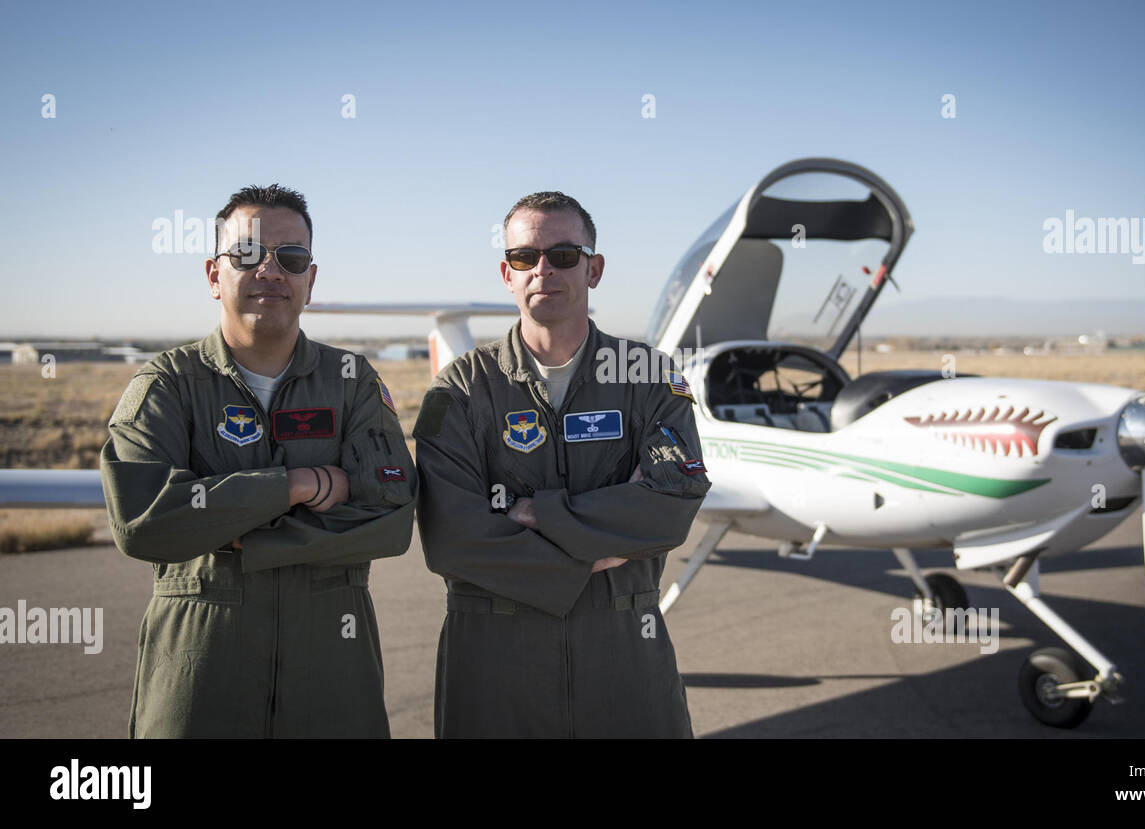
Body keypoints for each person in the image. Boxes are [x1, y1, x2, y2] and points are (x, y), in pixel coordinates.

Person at [101, 184, 415, 738]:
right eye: (247, 254)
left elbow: (390, 520)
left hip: (334, 682)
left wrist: (242, 531)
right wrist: (295, 485)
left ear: (309, 281)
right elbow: (144, 521)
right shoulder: (168, 386)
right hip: (200, 678)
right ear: (213, 275)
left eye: (290, 258)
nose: (270, 270)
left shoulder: (352, 382)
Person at [413, 191, 710, 738]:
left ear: (593, 269)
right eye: (525, 257)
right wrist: (596, 546)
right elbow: (451, 538)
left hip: (624, 657)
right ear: (507, 273)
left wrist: (534, 513)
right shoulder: (458, 391)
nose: (543, 269)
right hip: (492, 668)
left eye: (564, 255)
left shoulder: (646, 376)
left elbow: (672, 503)